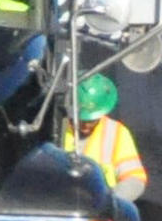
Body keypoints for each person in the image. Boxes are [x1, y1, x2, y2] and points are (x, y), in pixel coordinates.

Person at [61, 70, 148, 199]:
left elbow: (134, 178)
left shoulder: (116, 133)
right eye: (80, 120)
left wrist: (111, 203)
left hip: (101, 214)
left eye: (91, 121)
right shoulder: (54, 129)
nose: (85, 125)